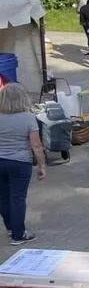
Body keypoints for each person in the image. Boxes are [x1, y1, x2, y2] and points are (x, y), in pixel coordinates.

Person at [0, 84, 45, 245]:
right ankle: (18, 235)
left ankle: (11, 227)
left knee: (3, 197)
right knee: (18, 198)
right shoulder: (28, 118)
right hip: (20, 162)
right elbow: (36, 146)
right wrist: (41, 166)